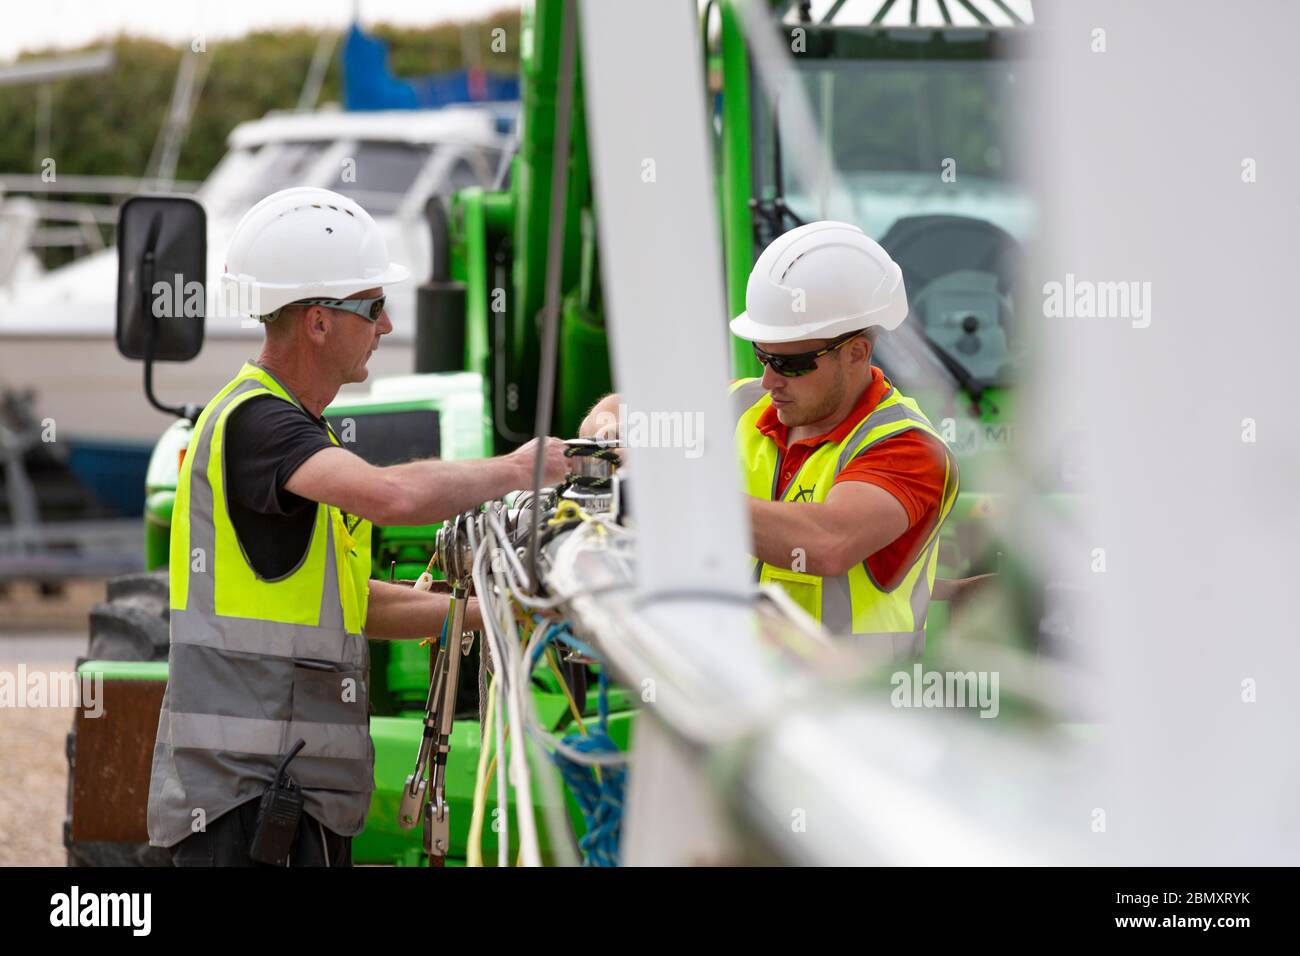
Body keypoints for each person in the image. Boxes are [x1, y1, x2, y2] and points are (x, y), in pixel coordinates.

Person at [147, 187, 568, 866]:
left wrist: (491, 613)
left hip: (288, 805)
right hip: (246, 809)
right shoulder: (260, 423)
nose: (389, 326)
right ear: (319, 321)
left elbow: (355, 605)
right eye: (373, 308)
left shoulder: (288, 425)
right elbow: (392, 497)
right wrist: (522, 469)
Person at [581, 220, 957, 657]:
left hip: (853, 712)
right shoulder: (742, 406)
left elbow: (826, 543)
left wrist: (671, 487)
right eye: (763, 356)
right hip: (738, 696)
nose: (768, 379)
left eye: (790, 363)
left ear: (857, 352)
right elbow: (614, 411)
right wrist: (606, 435)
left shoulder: (908, 448)